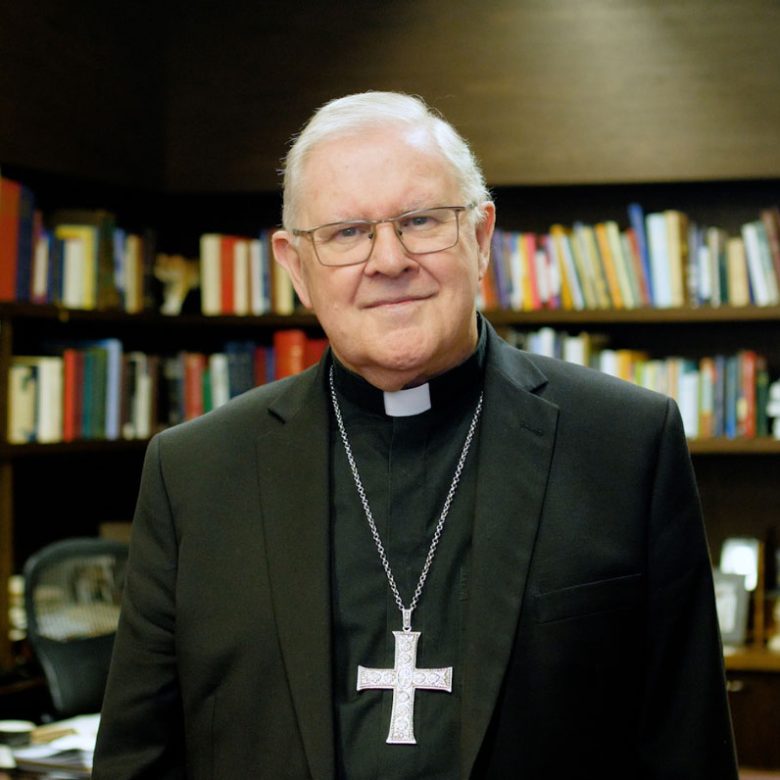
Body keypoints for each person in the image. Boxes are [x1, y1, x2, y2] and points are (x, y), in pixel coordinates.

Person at [93, 91, 738, 779]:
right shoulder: (194, 472)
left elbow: (685, 750)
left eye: (421, 220)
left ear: (482, 237)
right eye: (346, 232)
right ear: (293, 266)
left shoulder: (625, 444)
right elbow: (140, 761)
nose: (389, 260)